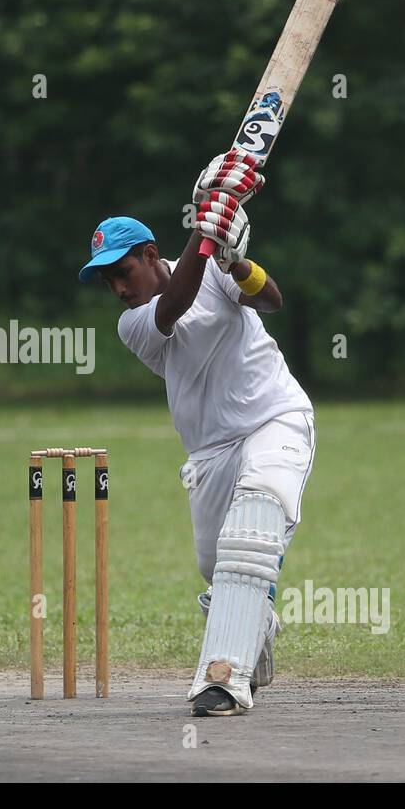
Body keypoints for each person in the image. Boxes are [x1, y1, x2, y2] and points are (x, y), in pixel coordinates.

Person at [79, 151, 315, 716]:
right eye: (108, 279)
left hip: (274, 419)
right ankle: (254, 634)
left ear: (150, 254)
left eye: (123, 271)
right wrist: (206, 224)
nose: (117, 287)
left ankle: (223, 679)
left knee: (251, 535)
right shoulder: (133, 322)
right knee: (217, 569)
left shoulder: (211, 269)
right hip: (209, 454)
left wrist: (234, 260)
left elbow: (272, 300)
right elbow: (176, 302)